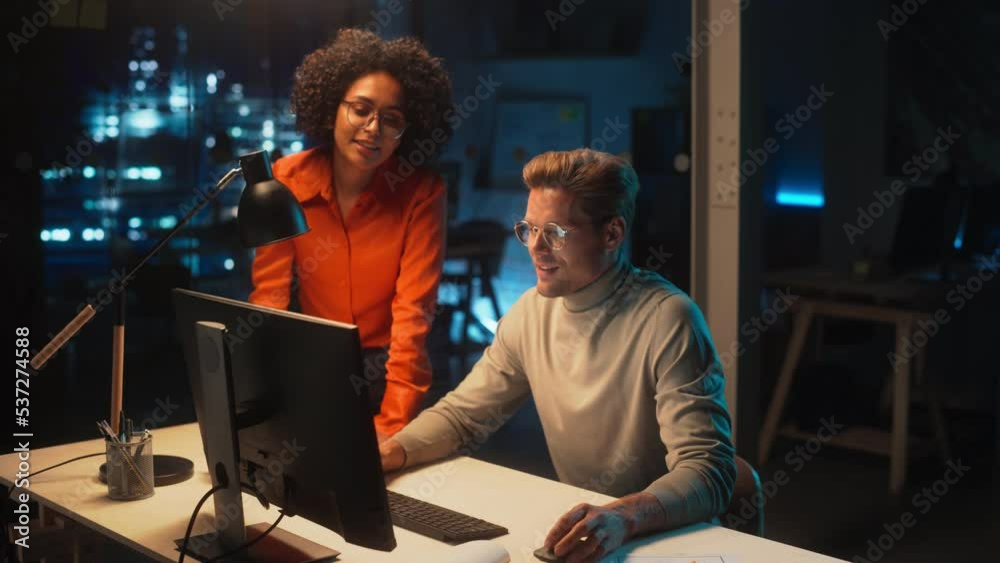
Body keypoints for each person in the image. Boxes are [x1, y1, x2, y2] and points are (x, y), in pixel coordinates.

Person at [379, 149, 735, 562]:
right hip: (589, 536)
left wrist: (624, 515)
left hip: (669, 541)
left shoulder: (669, 318)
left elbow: (710, 471)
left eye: (556, 233)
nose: (536, 247)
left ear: (613, 234)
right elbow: (463, 418)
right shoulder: (531, 311)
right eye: (528, 229)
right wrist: (392, 451)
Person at [249, 29, 453, 438]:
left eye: (391, 119)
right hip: (307, 365)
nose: (373, 128)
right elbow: (269, 299)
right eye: (361, 109)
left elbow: (413, 314)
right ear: (331, 110)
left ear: (407, 131)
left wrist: (392, 425)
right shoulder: (286, 178)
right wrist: (263, 397)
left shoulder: (423, 193)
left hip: (388, 373)